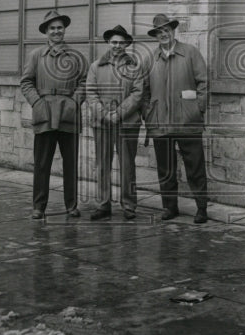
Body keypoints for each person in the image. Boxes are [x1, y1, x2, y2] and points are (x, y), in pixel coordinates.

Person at [19, 9, 87, 220]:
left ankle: (71, 205)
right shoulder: (36, 55)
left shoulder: (76, 56)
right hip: (45, 114)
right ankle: (39, 206)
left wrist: (74, 102)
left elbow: (84, 82)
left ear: (64, 30)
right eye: (52, 28)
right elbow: (26, 82)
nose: (56, 31)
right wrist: (37, 103)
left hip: (68, 115)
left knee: (70, 163)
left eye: (59, 28)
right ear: (46, 32)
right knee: (42, 163)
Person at [143, 13, 209, 223]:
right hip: (160, 123)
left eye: (166, 30)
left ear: (173, 31)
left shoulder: (190, 53)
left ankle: (201, 208)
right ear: (155, 36)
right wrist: (149, 114)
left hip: (187, 121)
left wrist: (196, 110)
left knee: (195, 166)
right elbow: (143, 91)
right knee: (166, 168)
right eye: (159, 32)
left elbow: (203, 83)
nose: (163, 34)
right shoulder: (150, 59)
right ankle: (170, 207)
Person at [85, 24, 144, 221]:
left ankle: (129, 205)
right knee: (102, 164)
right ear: (108, 43)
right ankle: (103, 204)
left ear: (126, 44)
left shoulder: (134, 67)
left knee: (127, 165)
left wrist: (118, 114)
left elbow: (138, 93)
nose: (117, 46)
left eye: (121, 42)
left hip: (127, 123)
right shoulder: (96, 67)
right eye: (114, 42)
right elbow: (91, 93)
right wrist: (105, 114)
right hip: (102, 123)